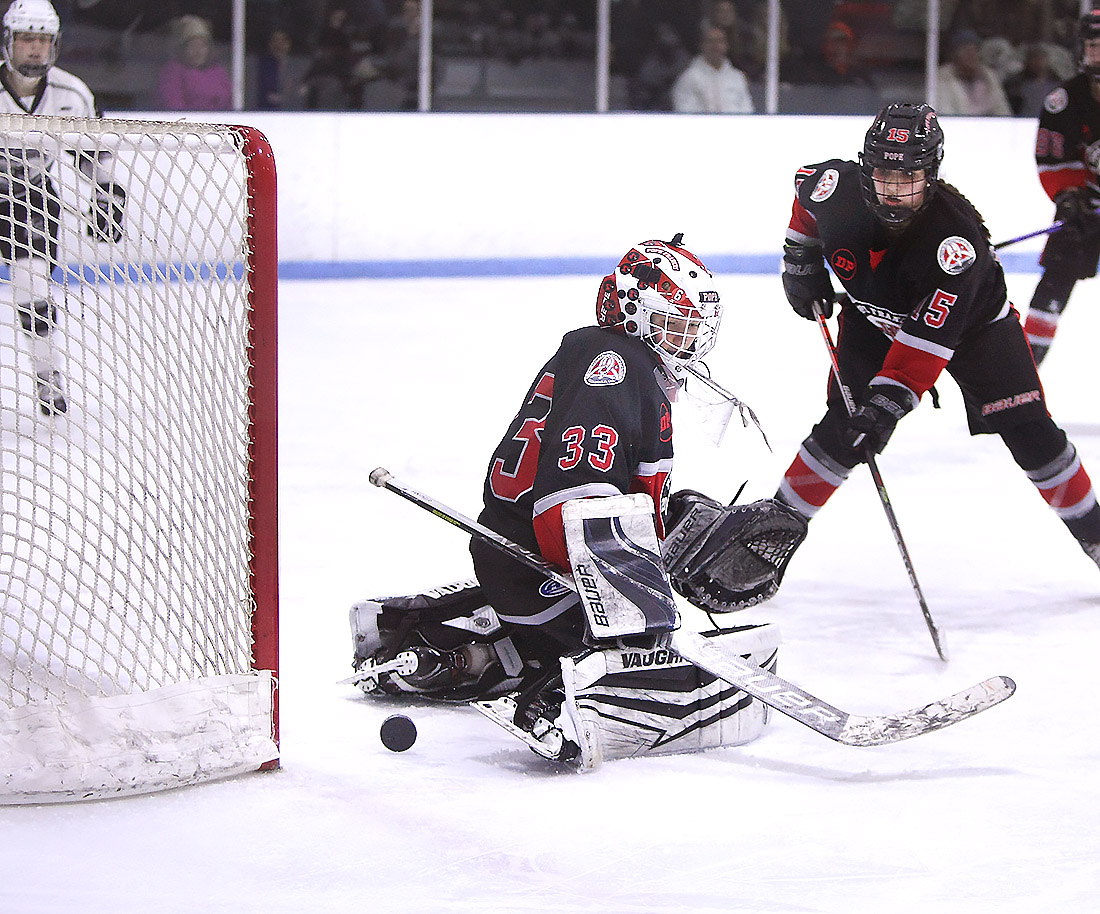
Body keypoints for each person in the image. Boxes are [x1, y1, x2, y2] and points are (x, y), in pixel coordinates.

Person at [349, 236, 797, 768]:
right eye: (677, 326)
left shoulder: (624, 365)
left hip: (527, 559)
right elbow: (575, 498)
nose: (690, 342)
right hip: (539, 564)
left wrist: (669, 531)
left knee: (676, 526)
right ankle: (541, 686)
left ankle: (445, 643)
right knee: (618, 645)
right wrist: (640, 608)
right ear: (633, 312)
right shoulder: (613, 361)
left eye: (696, 329)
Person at [776, 102, 1100, 580]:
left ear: (931, 175)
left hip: (975, 332)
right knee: (842, 424)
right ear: (866, 168)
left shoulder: (955, 245)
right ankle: (770, 531)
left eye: (909, 178)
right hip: (872, 317)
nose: (894, 191)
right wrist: (800, 263)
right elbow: (806, 197)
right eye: (884, 174)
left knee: (1033, 436)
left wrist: (885, 406)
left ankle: (1096, 535)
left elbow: (923, 346)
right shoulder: (834, 187)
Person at [0, 0, 123, 416]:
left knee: (34, 291)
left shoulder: (71, 93)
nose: (34, 49)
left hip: (30, 195)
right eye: (26, 39)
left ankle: (46, 375)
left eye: (43, 40)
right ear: (8, 41)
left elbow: (95, 152)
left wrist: (107, 197)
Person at [1023, 10, 1100, 366]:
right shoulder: (1064, 101)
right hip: (1085, 206)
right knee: (1055, 279)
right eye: (1094, 46)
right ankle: (1022, 372)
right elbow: (1052, 160)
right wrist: (1069, 197)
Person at [671, 23, 754, 114]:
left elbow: (747, 110)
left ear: (726, 45)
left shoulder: (737, 77)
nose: (716, 46)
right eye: (710, 41)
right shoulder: (689, 78)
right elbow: (685, 112)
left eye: (720, 41)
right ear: (702, 45)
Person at [156, 15, 231, 111]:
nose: (198, 51)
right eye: (193, 45)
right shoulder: (172, 72)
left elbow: (228, 103)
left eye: (202, 45)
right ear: (183, 49)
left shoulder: (218, 72)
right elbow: (173, 106)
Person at [935, 29, 1012, 116]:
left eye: (974, 50)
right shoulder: (943, 77)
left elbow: (1002, 109)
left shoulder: (988, 75)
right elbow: (945, 112)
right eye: (966, 51)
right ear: (954, 54)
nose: (971, 55)